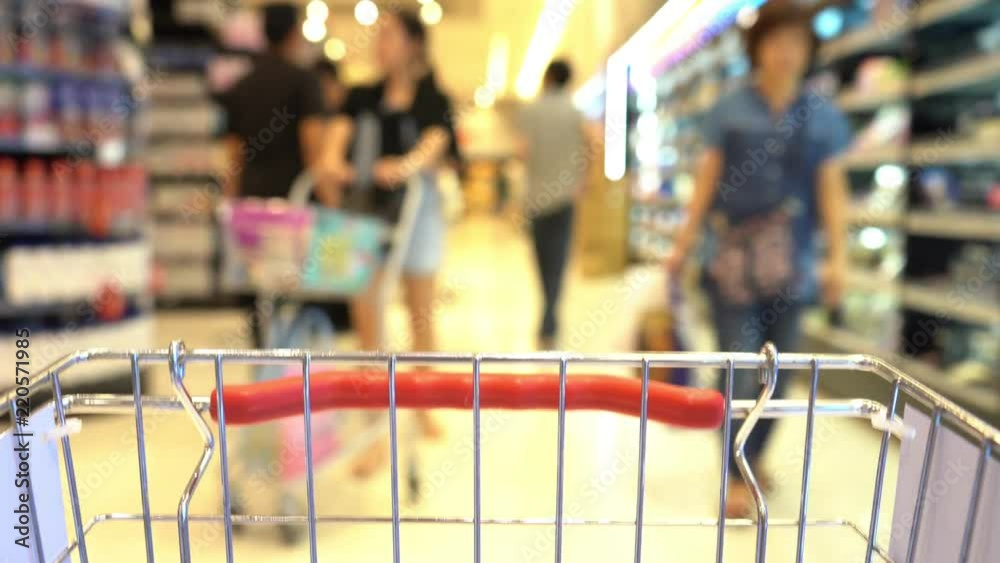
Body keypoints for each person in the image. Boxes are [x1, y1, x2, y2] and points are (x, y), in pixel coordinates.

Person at [664, 2, 851, 516]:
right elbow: (705, 183)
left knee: (779, 376)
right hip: (731, 266)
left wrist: (840, 258)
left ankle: (753, 459)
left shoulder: (823, 117)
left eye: (796, 41)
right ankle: (734, 475)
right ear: (757, 48)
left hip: (793, 266)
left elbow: (831, 190)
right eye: (776, 40)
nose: (786, 52)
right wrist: (681, 246)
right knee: (740, 372)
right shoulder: (728, 110)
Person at [321, 9, 458, 458]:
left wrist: (403, 168)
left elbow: (435, 144)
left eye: (390, 36)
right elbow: (333, 147)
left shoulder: (432, 99)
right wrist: (336, 167)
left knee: (421, 315)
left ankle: (422, 406)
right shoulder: (361, 96)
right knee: (368, 321)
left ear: (414, 44)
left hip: (417, 211)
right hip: (365, 215)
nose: (381, 44)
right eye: (379, 36)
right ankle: (374, 427)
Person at [219, 3, 336, 347]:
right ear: (294, 33)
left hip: (252, 206)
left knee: (261, 297)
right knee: (296, 296)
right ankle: (292, 376)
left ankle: (263, 369)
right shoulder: (304, 82)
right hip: (293, 206)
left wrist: (230, 205)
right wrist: (332, 203)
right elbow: (313, 150)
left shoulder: (242, 86)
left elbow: (234, 155)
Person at [517, 60, 588, 350]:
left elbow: (522, 151)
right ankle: (550, 319)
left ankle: (547, 317)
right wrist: (582, 180)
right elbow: (595, 143)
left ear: (547, 78)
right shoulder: (575, 112)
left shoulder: (531, 111)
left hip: (536, 199)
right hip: (564, 199)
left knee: (542, 261)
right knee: (558, 263)